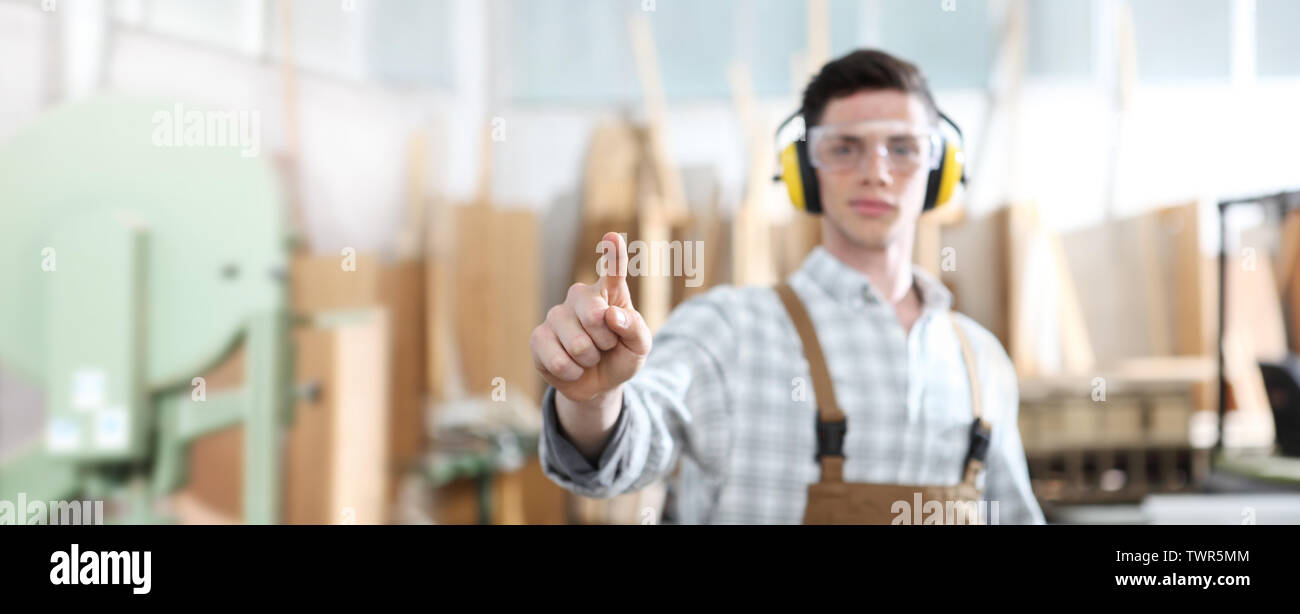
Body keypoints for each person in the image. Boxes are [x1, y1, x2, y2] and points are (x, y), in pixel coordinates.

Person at [529, 49, 1045, 524]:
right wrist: (594, 401)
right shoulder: (727, 331)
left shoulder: (982, 362)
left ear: (941, 170)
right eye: (844, 148)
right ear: (805, 170)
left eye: (903, 147)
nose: (876, 172)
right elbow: (623, 454)